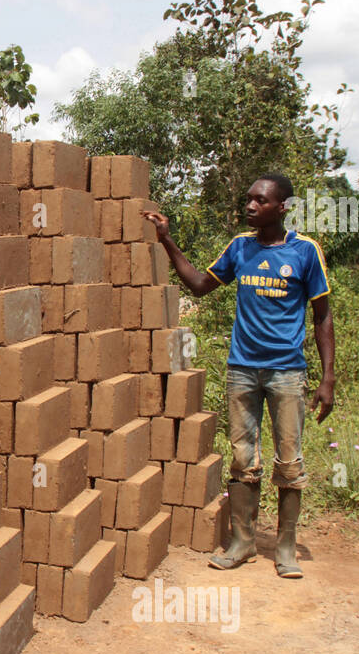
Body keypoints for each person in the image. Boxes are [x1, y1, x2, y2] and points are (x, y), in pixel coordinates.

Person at [141, 175, 335, 578]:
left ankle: (284, 548)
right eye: (247, 199)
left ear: (281, 207)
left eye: (259, 200)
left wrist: (327, 378)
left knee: (289, 461)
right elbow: (198, 285)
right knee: (243, 458)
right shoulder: (240, 248)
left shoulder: (305, 252)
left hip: (286, 372)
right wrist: (166, 238)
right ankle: (243, 542)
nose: (250, 206)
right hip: (241, 369)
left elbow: (322, 316)